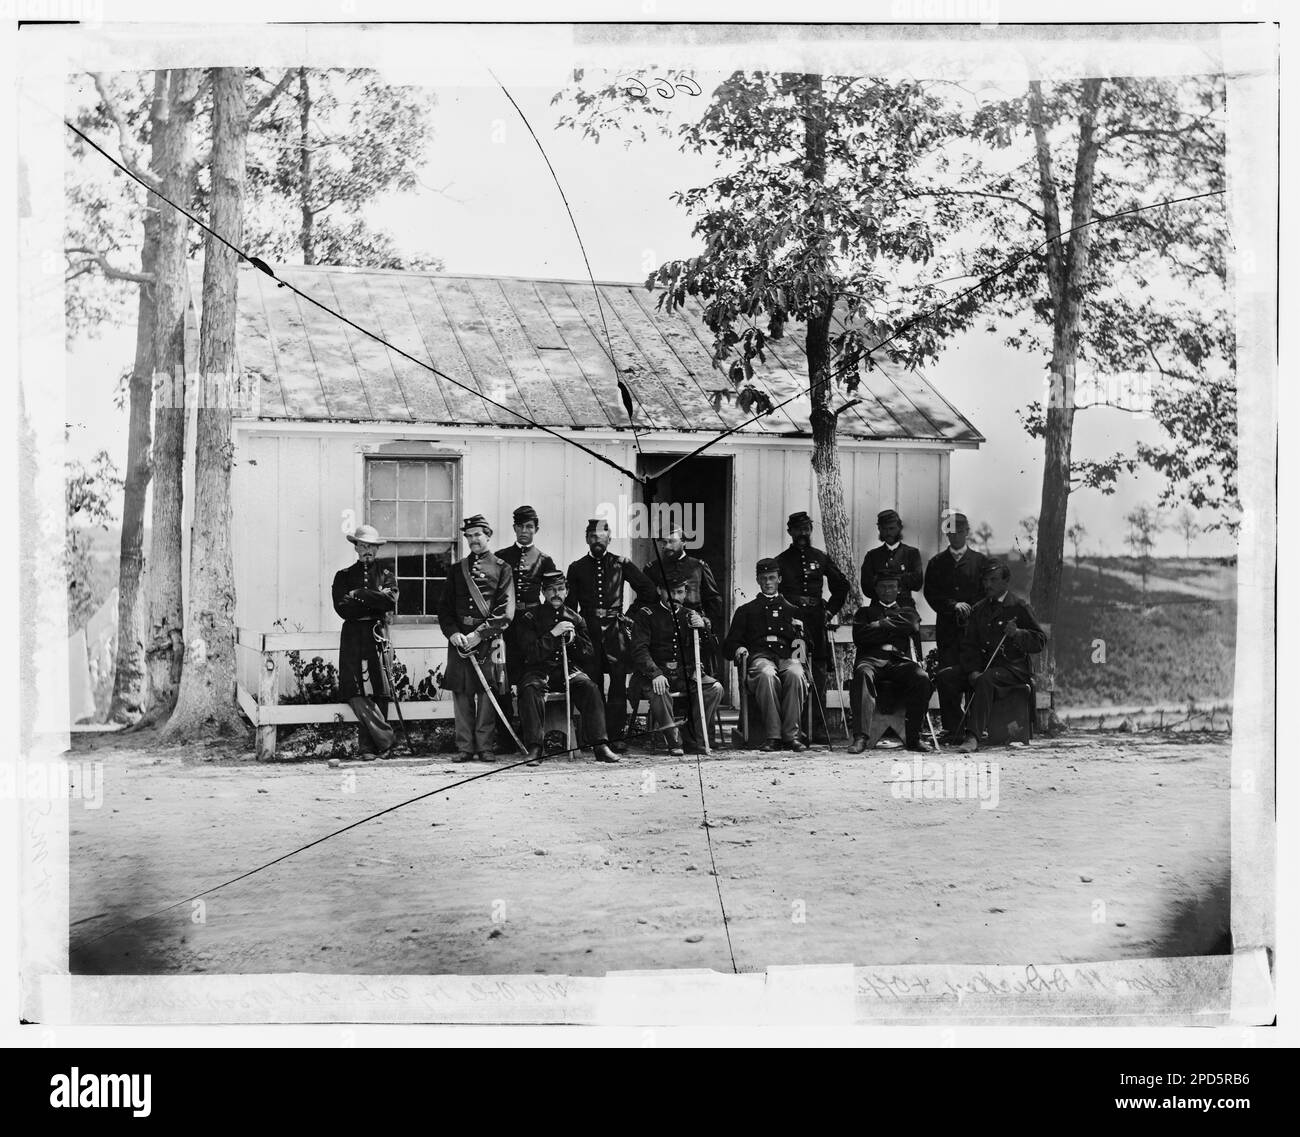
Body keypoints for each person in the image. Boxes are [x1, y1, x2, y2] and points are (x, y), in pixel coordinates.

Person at [566, 518, 657, 750]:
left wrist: (628, 615)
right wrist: (578, 625)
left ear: (609, 538)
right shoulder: (577, 568)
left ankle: (616, 737)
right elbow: (570, 605)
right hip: (589, 633)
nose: (597, 541)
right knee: (593, 685)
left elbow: (647, 590)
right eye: (593, 536)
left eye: (601, 536)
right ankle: (596, 738)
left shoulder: (621, 563)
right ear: (587, 539)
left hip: (615, 633)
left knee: (617, 685)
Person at [514, 569, 619, 765]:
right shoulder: (530, 617)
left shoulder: (576, 618)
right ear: (543, 593)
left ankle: (600, 746)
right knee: (529, 689)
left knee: (590, 687)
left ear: (567, 592)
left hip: (567, 671)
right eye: (551, 590)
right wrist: (553, 634)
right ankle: (535, 748)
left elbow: (588, 654)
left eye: (560, 589)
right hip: (539, 671)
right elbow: (529, 654)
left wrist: (573, 641)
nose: (556, 594)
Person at [437, 515, 515, 762]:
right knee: (461, 693)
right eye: (469, 536)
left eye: (477, 535)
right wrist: (454, 634)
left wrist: (479, 634)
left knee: (486, 694)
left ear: (488, 535)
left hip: (487, 640)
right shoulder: (456, 569)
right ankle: (465, 747)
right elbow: (445, 610)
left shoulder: (502, 568)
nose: (473, 540)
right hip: (461, 643)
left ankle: (485, 746)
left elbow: (505, 611)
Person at [628, 571, 724, 756]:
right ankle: (674, 741)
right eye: (670, 592)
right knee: (659, 688)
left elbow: (711, 650)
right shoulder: (646, 615)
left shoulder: (690, 615)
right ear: (659, 590)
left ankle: (696, 739)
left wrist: (703, 629)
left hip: (684, 675)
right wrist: (655, 673)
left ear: (685, 593)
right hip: (653, 674)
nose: (675, 597)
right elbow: (639, 650)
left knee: (715, 688)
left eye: (680, 592)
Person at [957, 560, 1047, 753]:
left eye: (993, 580)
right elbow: (969, 645)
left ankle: (972, 736)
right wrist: (972, 670)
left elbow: (1040, 641)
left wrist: (1018, 634)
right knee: (947, 676)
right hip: (985, 666)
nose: (987, 584)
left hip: (1013, 668)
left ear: (1006, 582)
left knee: (987, 679)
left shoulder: (1018, 607)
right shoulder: (979, 609)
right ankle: (952, 731)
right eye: (985, 580)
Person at [775, 511, 849, 744]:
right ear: (790, 532)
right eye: (798, 529)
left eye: (806, 528)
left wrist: (829, 611)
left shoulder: (821, 557)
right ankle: (797, 728)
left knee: (817, 671)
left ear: (811, 530)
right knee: (798, 668)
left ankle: (816, 727)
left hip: (816, 623)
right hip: (795, 625)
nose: (803, 533)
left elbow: (842, 585)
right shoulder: (781, 561)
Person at [723, 558, 809, 752]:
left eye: (771, 578)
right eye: (763, 578)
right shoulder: (746, 611)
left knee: (796, 674)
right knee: (767, 675)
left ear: (779, 579)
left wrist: (799, 635)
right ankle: (773, 736)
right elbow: (729, 644)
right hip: (760, 657)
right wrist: (738, 649)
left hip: (788, 657)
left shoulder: (793, 610)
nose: (768, 582)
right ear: (758, 581)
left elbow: (804, 650)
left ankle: (792, 736)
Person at [331, 524, 399, 759]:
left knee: (380, 689)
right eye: (362, 545)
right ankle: (380, 742)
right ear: (356, 548)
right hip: (352, 635)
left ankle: (376, 747)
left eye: (371, 546)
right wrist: (374, 599)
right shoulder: (343, 576)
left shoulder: (387, 574)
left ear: (377, 549)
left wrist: (358, 594)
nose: (366, 550)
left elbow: (390, 601)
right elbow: (342, 609)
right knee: (355, 689)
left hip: (377, 633)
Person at [847, 569, 932, 754]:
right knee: (862, 674)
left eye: (892, 587)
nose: (887, 591)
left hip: (898, 660)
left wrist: (881, 624)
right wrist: (895, 627)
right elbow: (861, 636)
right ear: (876, 589)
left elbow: (912, 625)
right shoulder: (864, 612)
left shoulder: (908, 611)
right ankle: (860, 737)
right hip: (870, 659)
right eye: (883, 587)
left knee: (922, 677)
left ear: (898, 589)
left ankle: (914, 737)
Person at [924, 510, 990, 742]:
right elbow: (931, 594)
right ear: (947, 534)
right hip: (948, 631)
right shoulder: (936, 563)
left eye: (960, 530)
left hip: (974, 632)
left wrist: (971, 607)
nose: (956, 535)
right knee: (947, 676)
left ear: (967, 532)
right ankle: (952, 729)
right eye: (951, 531)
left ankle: (975, 728)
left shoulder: (981, 563)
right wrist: (953, 606)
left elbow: (987, 593)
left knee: (974, 675)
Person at [496, 504, 558, 734]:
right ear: (514, 527)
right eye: (520, 526)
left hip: (531, 627)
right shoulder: (501, 558)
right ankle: (506, 736)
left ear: (536, 529)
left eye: (529, 527)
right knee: (502, 679)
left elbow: (553, 596)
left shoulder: (544, 560)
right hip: (506, 626)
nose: (524, 530)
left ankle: (528, 732)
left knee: (528, 679)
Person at [859, 509, 924, 608]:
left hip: (905, 610)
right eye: (884, 529)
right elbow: (866, 587)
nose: (888, 533)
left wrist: (881, 579)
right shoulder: (872, 555)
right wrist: (902, 578)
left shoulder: (911, 553)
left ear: (900, 528)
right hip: (877, 610)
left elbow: (917, 583)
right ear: (879, 529)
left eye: (892, 528)